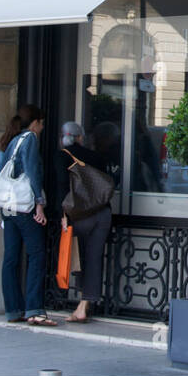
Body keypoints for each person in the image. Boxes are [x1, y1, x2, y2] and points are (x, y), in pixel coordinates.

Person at [0, 104, 58, 326]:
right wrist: (39, 204)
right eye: (41, 123)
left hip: (7, 208)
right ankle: (34, 310)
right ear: (35, 123)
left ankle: (13, 310)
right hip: (24, 206)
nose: (42, 128)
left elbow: (0, 173)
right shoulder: (30, 139)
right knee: (37, 255)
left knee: (11, 258)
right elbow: (33, 173)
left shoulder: (9, 140)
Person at [58, 121, 120, 323]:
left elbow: (60, 189)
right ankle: (85, 304)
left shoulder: (61, 157)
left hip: (77, 216)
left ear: (63, 137)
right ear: (80, 137)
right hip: (101, 213)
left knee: (80, 258)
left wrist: (63, 217)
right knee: (93, 258)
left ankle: (79, 302)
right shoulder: (95, 157)